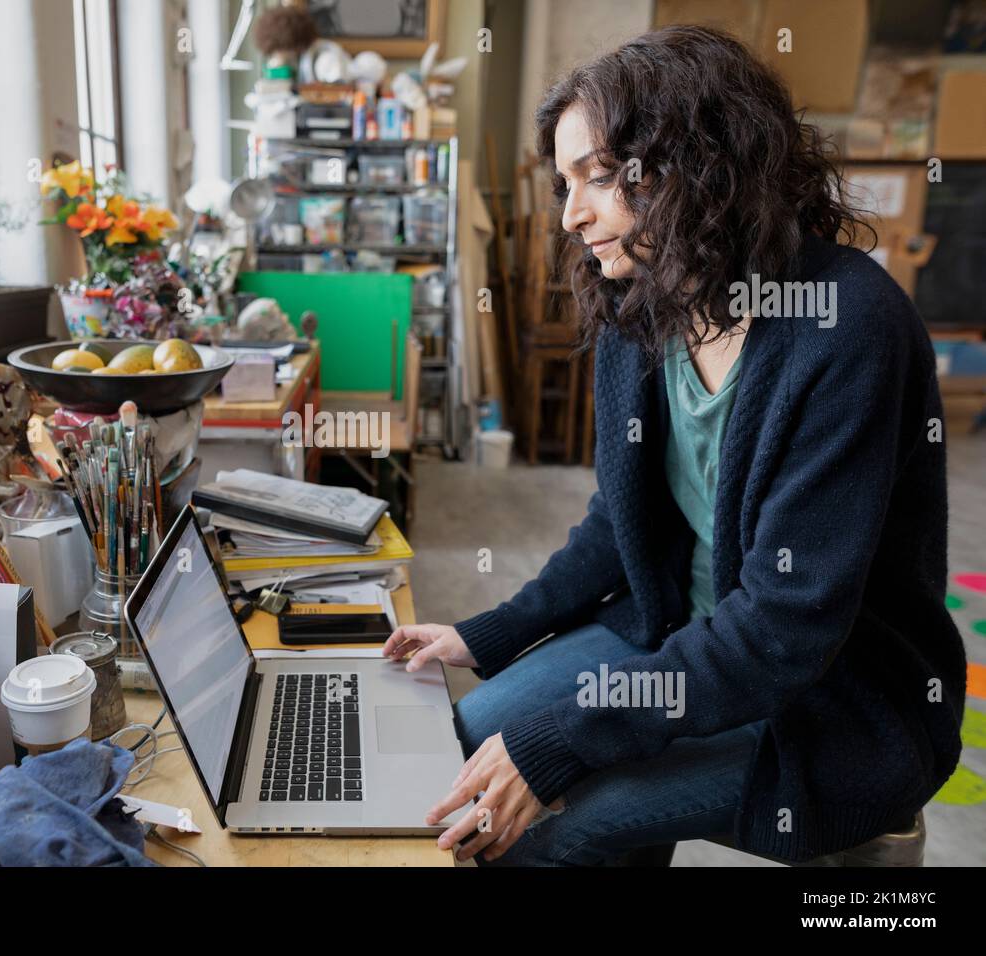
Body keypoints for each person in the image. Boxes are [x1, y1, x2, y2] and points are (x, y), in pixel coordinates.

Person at [383, 25, 966, 866]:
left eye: (598, 177)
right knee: (459, 740)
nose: (573, 214)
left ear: (700, 162)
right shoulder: (644, 303)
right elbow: (619, 526)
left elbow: (781, 632)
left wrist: (567, 743)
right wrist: (491, 631)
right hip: (669, 637)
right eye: (564, 183)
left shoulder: (847, 327)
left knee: (544, 822)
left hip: (823, 697)